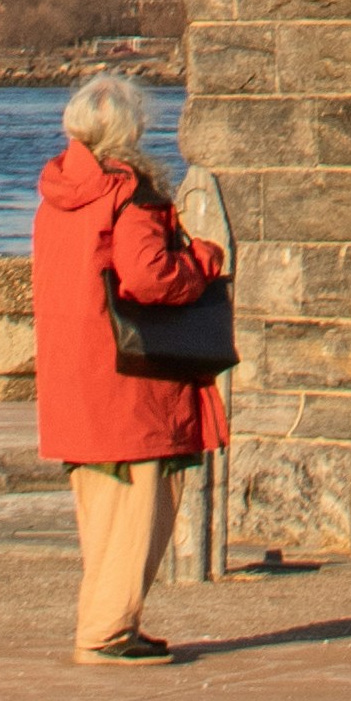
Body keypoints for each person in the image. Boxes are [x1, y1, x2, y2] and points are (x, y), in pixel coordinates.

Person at [30, 71, 225, 662]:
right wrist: (201, 264)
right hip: (131, 375)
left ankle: (108, 620)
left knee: (101, 511)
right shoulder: (131, 194)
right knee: (143, 508)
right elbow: (148, 276)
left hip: (74, 371)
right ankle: (107, 631)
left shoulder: (56, 196)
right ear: (131, 130)